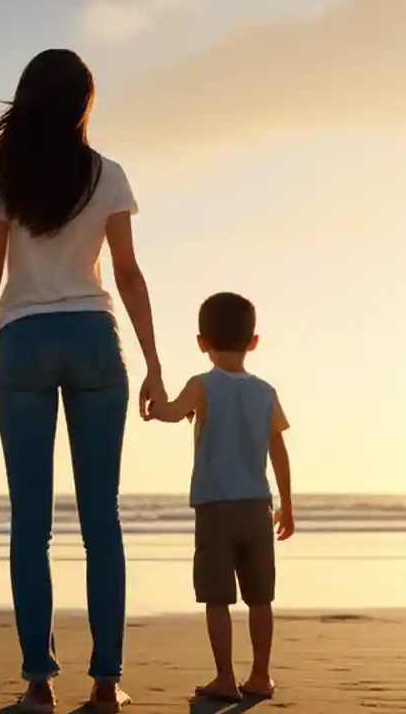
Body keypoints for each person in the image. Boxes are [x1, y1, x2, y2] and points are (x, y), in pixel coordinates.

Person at [0, 49, 163, 713]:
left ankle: (39, 683)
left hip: (22, 345)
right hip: (95, 342)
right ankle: (105, 683)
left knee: (30, 525)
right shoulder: (108, 174)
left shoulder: (3, 175)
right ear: (81, 106)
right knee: (103, 521)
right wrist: (156, 364)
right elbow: (127, 273)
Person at [146, 292, 294, 702]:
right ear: (253, 341)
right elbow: (278, 450)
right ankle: (261, 675)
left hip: (215, 507)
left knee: (217, 597)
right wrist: (287, 504)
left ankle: (225, 677)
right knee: (261, 596)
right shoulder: (265, 391)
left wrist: (154, 404)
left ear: (201, 342)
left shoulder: (202, 385)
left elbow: (172, 412)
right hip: (257, 506)